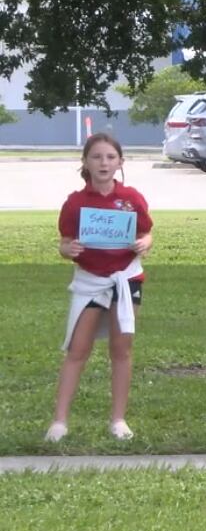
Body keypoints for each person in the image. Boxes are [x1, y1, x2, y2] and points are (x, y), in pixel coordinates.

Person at [48, 133, 154, 442]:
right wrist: (67, 250)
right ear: (85, 162)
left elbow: (147, 232)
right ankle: (59, 421)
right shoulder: (76, 202)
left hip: (127, 278)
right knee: (77, 350)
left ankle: (118, 420)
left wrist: (144, 243)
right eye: (96, 157)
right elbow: (65, 242)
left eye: (110, 157)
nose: (103, 162)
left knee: (121, 351)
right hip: (90, 282)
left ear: (120, 162)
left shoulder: (131, 198)